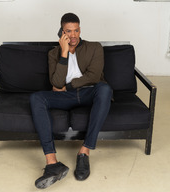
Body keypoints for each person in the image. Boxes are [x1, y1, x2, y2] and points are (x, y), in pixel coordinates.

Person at [30, 13, 113, 189]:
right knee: (36, 98)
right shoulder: (54, 54)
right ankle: (52, 164)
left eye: (76, 30)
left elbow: (94, 76)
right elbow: (56, 82)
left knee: (105, 89)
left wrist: (68, 87)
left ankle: (84, 152)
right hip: (65, 97)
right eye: (69, 31)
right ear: (62, 32)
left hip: (88, 93)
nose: (73, 35)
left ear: (80, 29)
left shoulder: (94, 47)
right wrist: (64, 52)